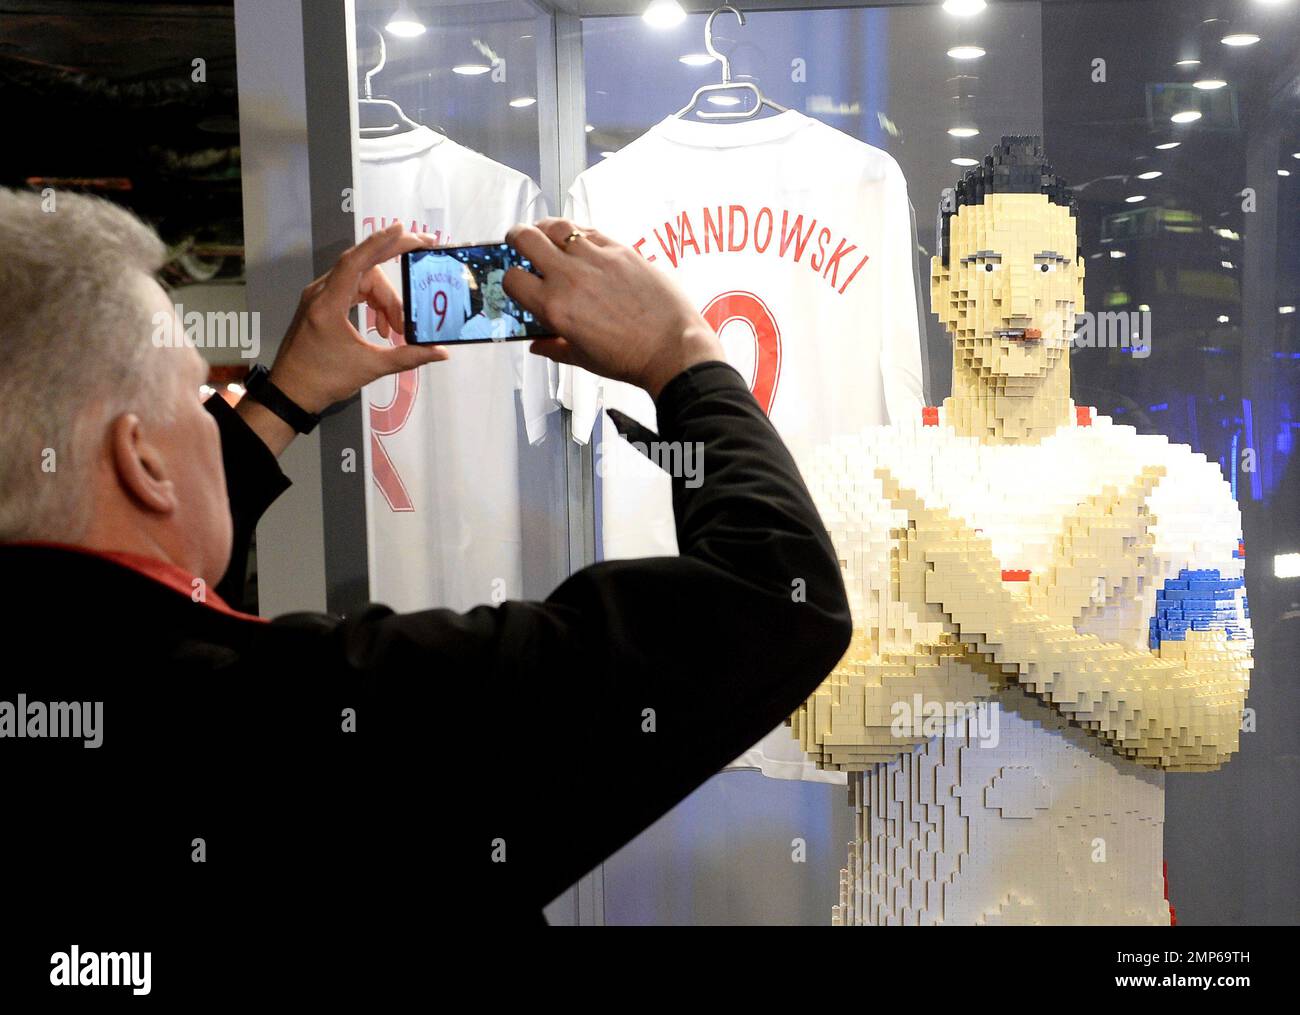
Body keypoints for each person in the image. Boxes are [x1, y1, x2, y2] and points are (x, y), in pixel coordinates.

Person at [0, 187, 850, 975]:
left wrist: (284, 399)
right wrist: (684, 356)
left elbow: (121, 582)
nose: (218, 408)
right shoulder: (286, 724)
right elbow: (775, 602)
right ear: (143, 458)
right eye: (198, 396)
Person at [786, 138, 1251, 925]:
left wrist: (988, 617)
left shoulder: (1173, 487)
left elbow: (1204, 724)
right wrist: (1063, 597)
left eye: (1044, 266)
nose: (1016, 299)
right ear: (939, 289)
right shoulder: (848, 482)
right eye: (984, 265)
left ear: (1078, 286)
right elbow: (828, 729)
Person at [460, 266, 525, 341]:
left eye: (505, 286)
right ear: (484, 288)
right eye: (497, 284)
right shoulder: (470, 328)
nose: (503, 292)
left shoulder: (513, 323)